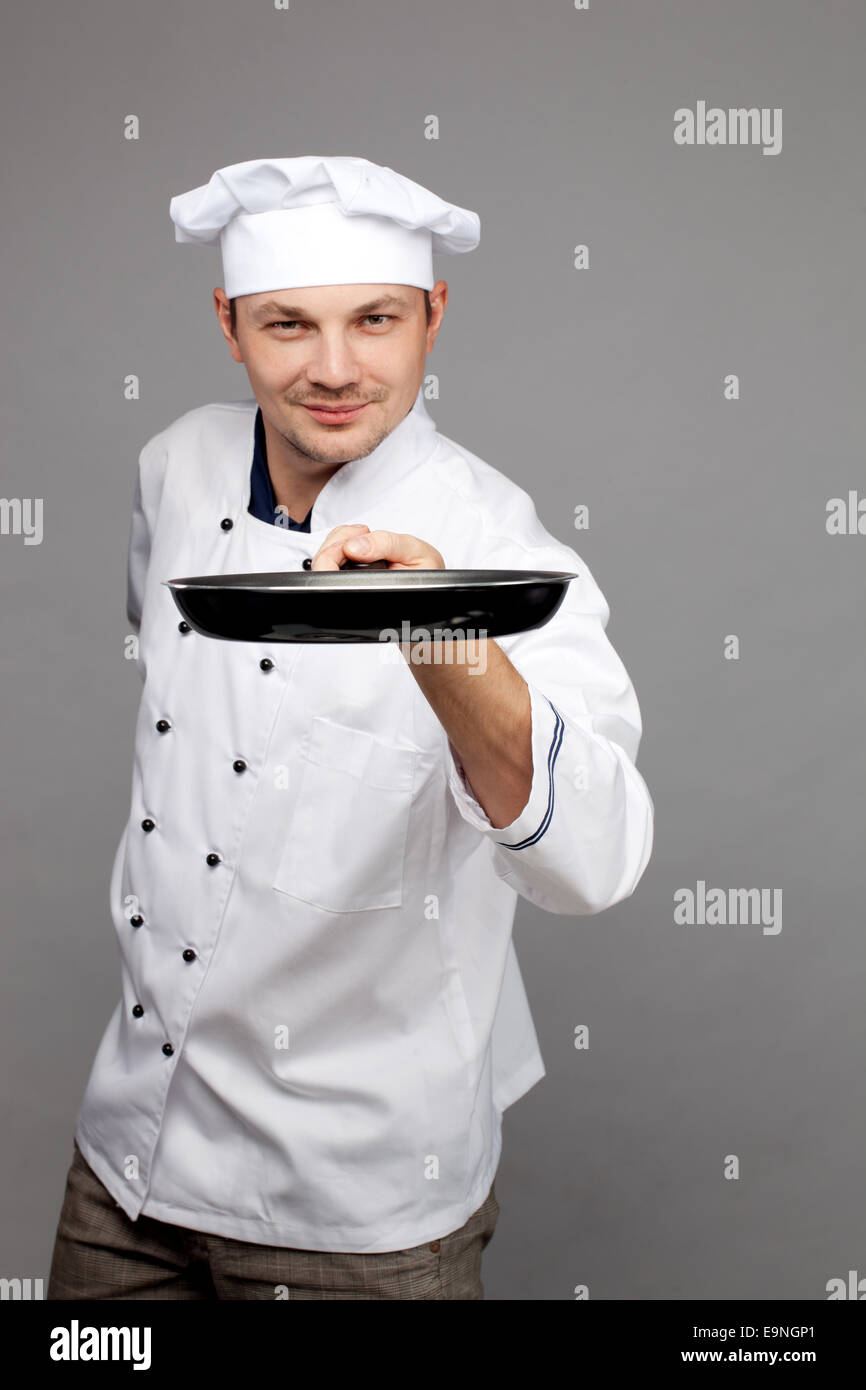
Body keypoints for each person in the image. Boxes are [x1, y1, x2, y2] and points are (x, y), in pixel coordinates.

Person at [47, 155, 654, 1300]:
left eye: (374, 320)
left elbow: (598, 858)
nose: (333, 369)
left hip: (362, 1210)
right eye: (288, 324)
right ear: (228, 324)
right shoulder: (174, 467)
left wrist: (446, 639)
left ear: (433, 315)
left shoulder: (501, 546)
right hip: (128, 1157)